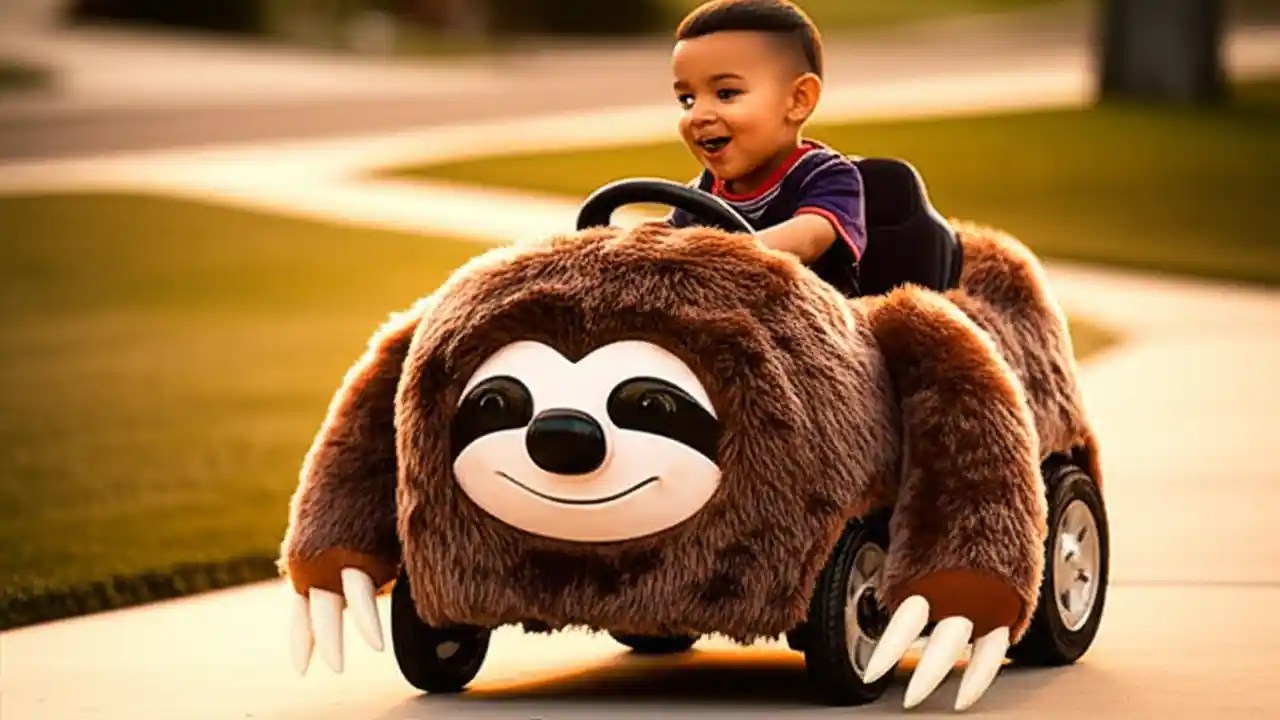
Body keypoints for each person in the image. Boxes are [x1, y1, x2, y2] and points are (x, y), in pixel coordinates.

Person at [666, 0, 866, 297]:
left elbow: (808, 239)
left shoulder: (827, 176)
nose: (698, 115)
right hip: (726, 318)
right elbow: (665, 239)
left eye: (726, 93)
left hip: (813, 319)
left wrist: (713, 256)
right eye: (688, 100)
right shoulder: (702, 193)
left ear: (798, 100)